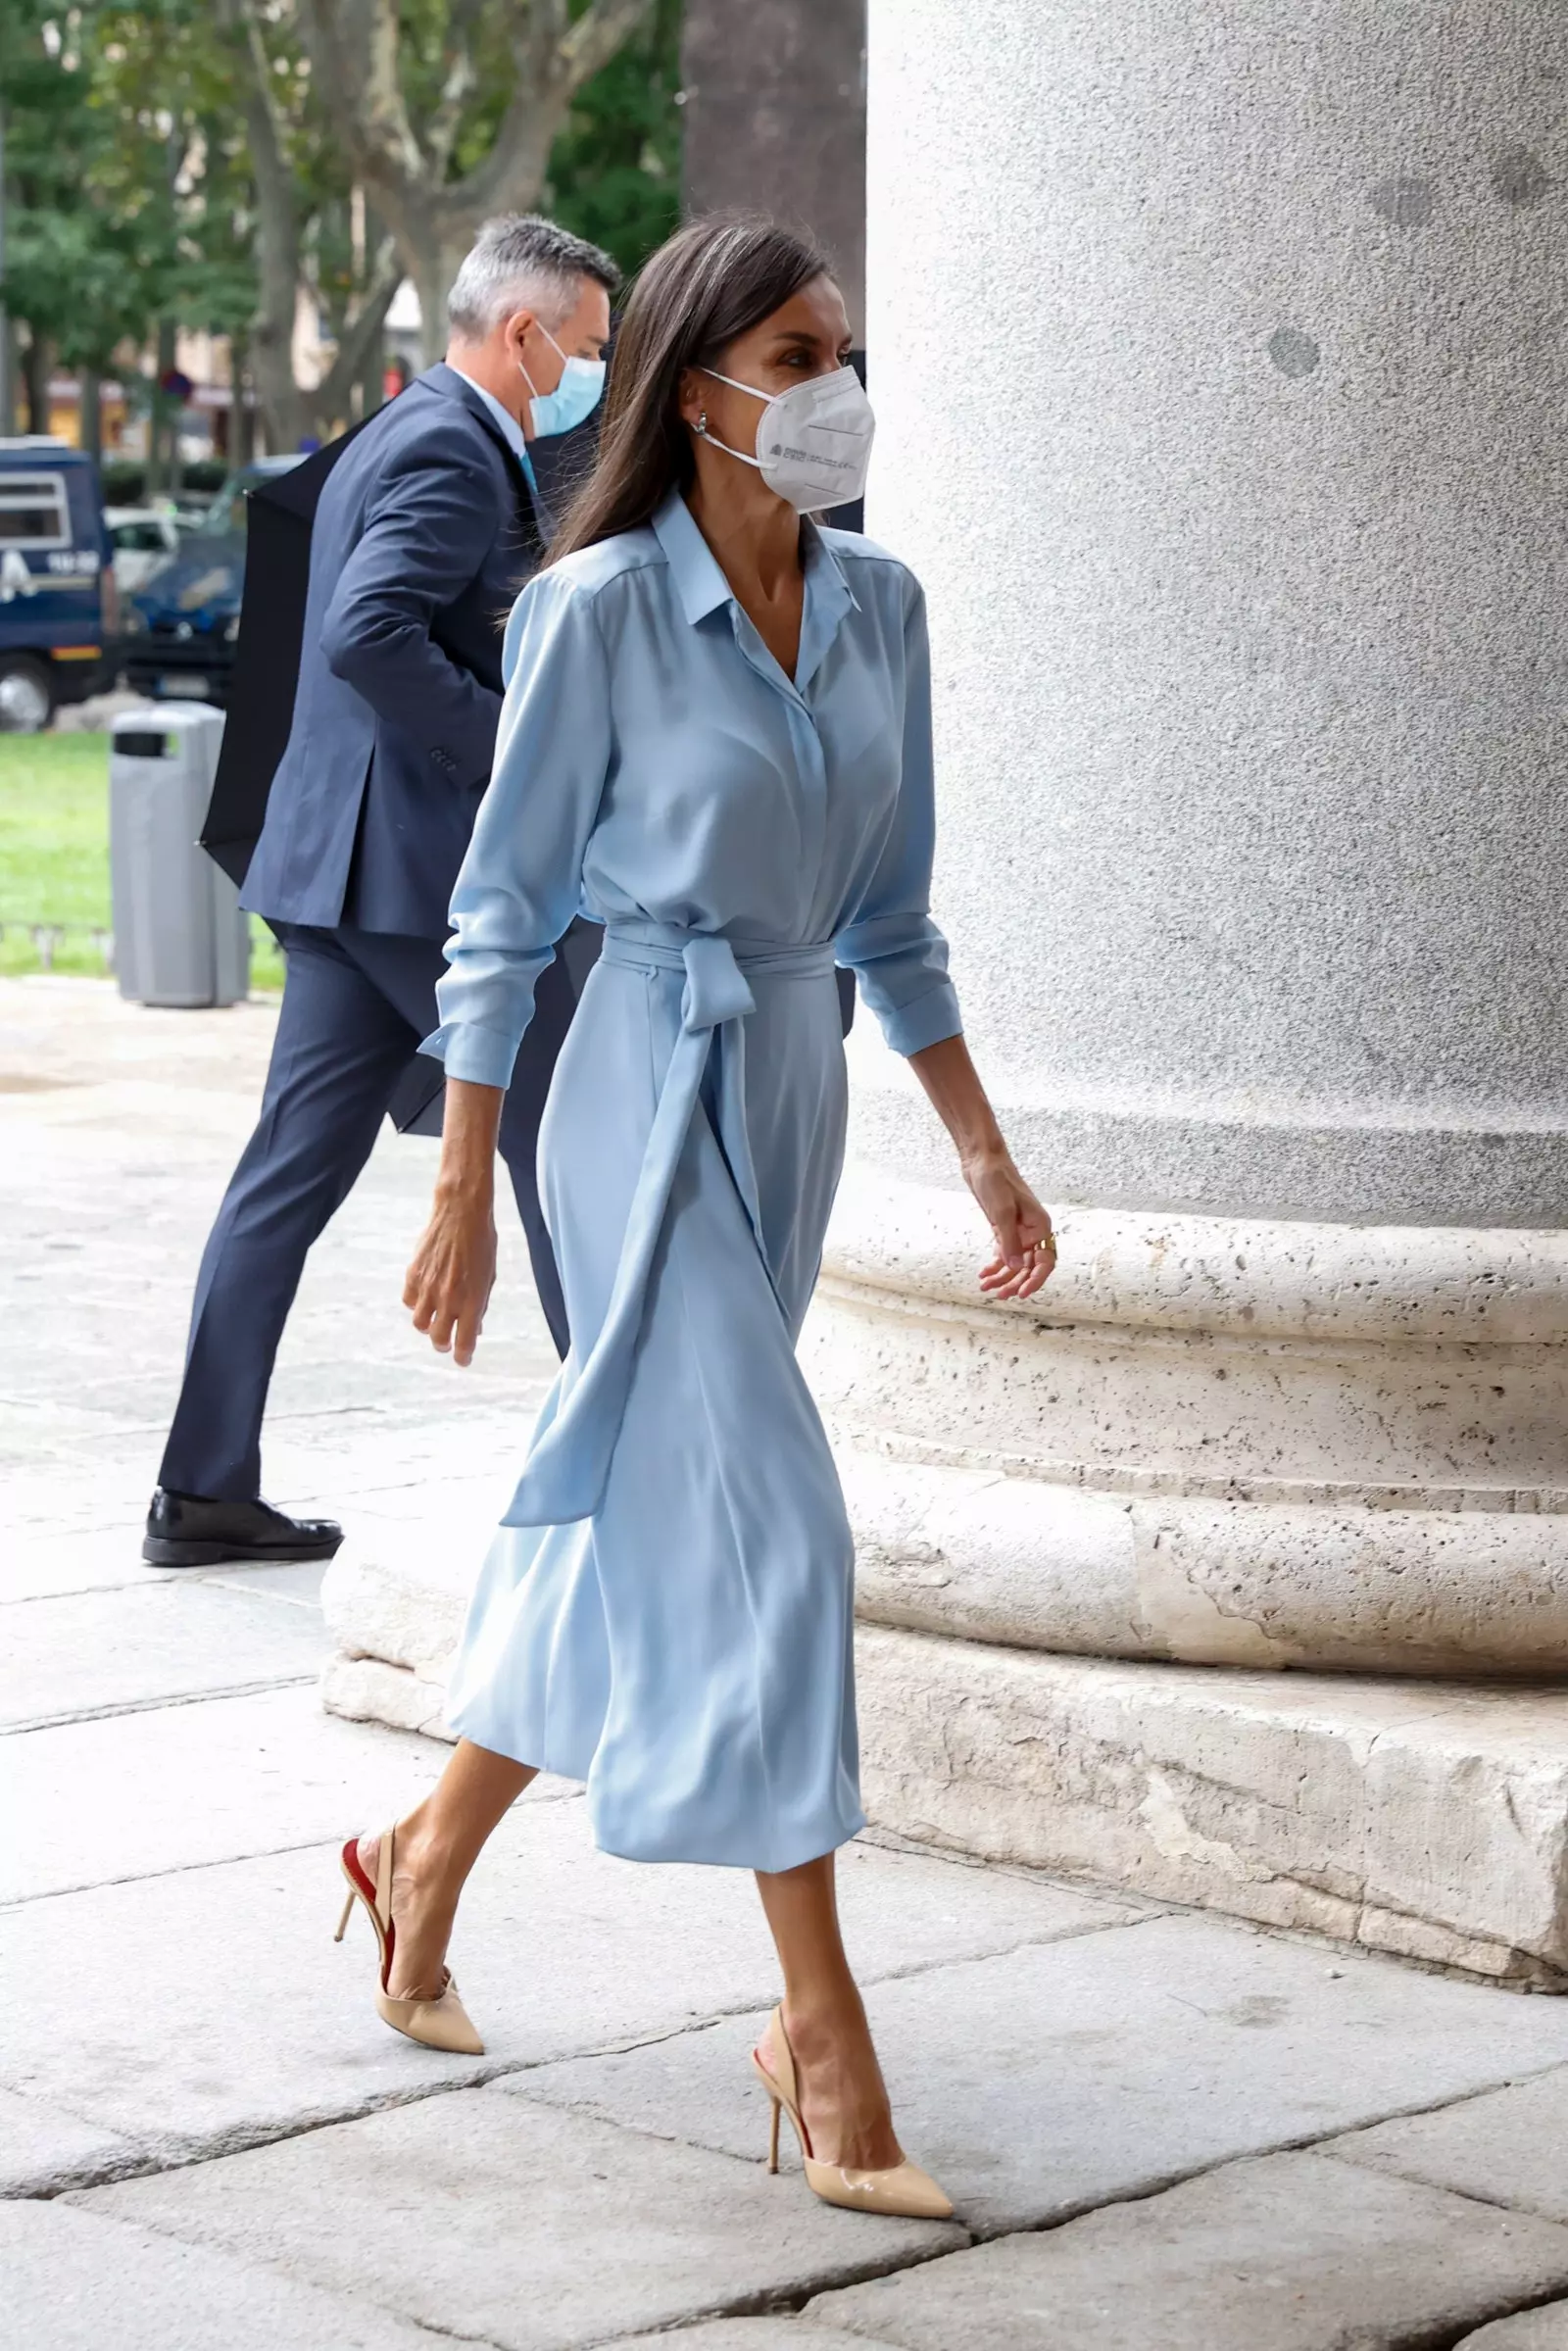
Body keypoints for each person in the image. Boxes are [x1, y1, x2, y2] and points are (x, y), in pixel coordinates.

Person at [333, 217, 1056, 2221]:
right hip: (634, 1088)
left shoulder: (886, 609)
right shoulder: (593, 611)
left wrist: (982, 1149)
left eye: (845, 345)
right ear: (701, 377)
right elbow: (500, 910)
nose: (836, 385)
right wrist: (463, 1182)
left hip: (790, 1082)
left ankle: (421, 1854)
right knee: (774, 1530)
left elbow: (891, 922)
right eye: (802, 349)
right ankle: (819, 2032)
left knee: (648, 1528)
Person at [143, 216, 618, 1571]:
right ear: (521, 333)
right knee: (559, 1144)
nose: (589, 372)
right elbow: (366, 633)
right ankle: (637, 1463)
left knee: (287, 1177)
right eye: (584, 348)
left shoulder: (408, 431)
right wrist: (511, 741)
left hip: (345, 874)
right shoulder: (453, 448)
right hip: (413, 876)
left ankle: (202, 1488)